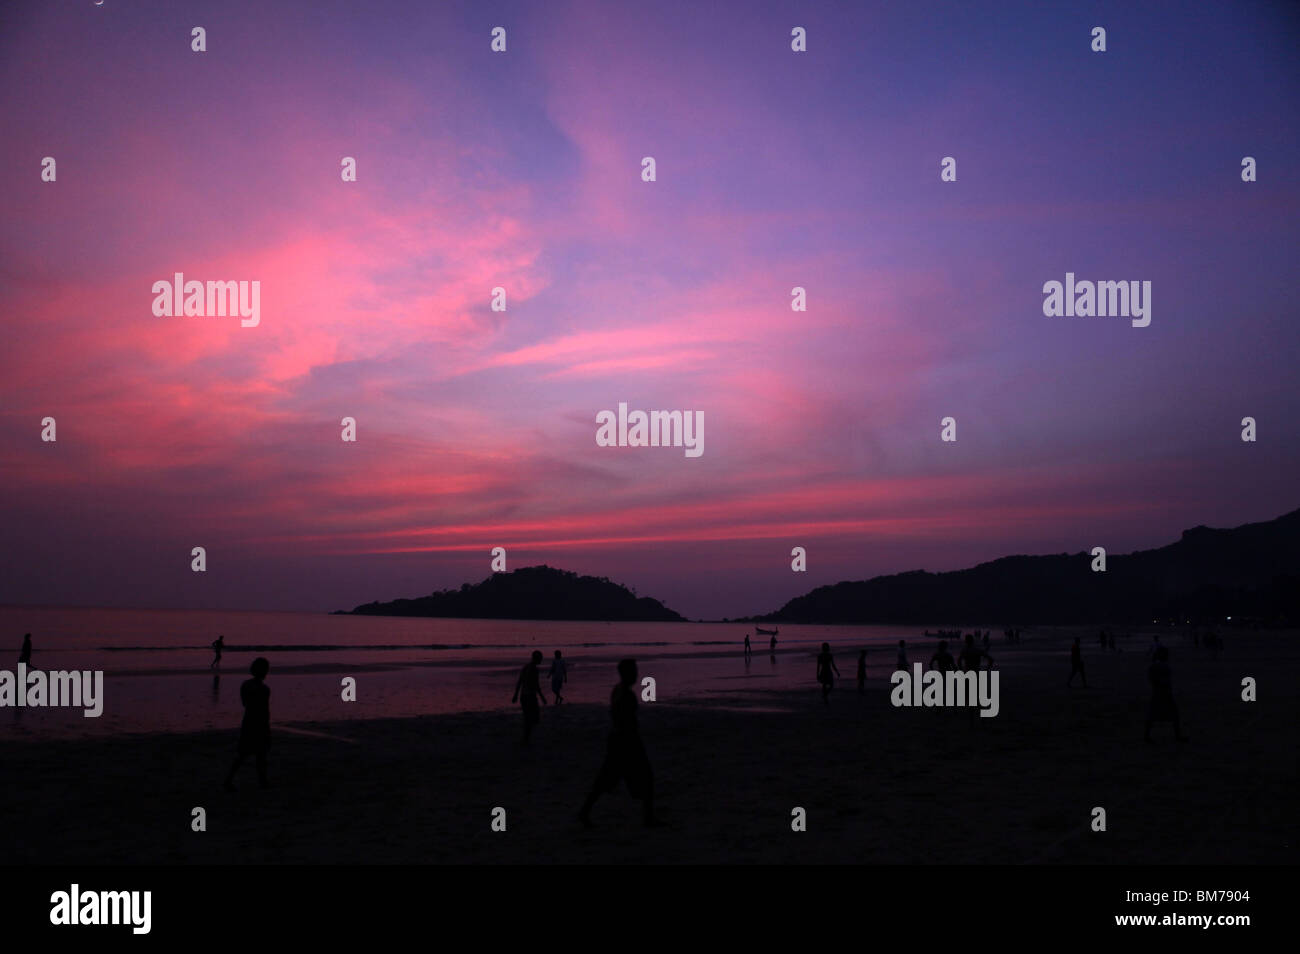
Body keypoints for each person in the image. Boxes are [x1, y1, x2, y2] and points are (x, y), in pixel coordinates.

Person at [578, 659, 659, 828]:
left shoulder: (617, 690)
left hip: (617, 739)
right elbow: (628, 722)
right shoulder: (626, 695)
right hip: (626, 741)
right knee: (645, 778)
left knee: (605, 779)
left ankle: (585, 811)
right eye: (634, 671)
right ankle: (648, 818)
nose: (636, 675)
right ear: (626, 673)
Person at [224, 657, 271, 791]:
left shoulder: (246, 685)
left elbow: (245, 703)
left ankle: (229, 779)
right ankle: (262, 781)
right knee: (260, 755)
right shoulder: (264, 689)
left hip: (248, 721)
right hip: (259, 723)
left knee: (243, 754)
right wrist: (267, 727)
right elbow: (265, 710)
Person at [1144, 647, 1186, 742]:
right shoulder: (1165, 667)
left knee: (1152, 715)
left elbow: (1151, 680)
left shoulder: (1152, 666)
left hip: (1156, 693)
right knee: (1174, 715)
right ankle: (1178, 736)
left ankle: (1146, 735)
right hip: (1165, 693)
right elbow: (1166, 681)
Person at [511, 650, 547, 743]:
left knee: (528, 718)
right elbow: (536, 684)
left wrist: (515, 695)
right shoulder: (534, 669)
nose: (541, 660)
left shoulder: (526, 667)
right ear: (537, 658)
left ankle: (526, 738)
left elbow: (520, 681)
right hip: (530, 696)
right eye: (540, 658)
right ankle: (526, 738)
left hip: (523, 696)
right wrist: (542, 697)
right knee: (533, 718)